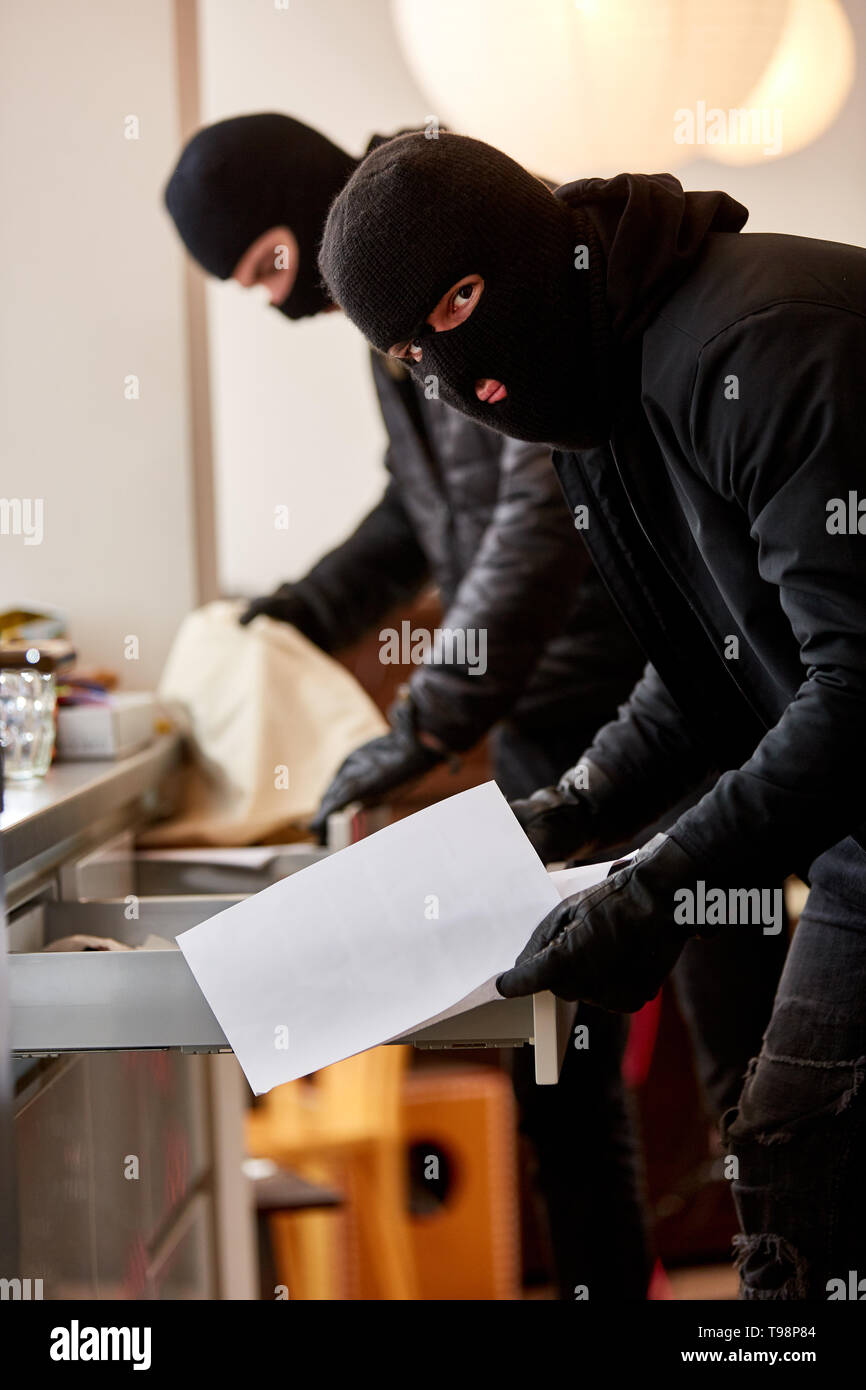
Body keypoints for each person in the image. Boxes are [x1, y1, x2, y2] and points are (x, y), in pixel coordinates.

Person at [319, 130, 866, 1299]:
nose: (465, 382)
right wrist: (571, 809)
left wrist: (658, 880)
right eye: (417, 351)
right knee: (790, 1156)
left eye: (459, 302)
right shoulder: (608, 388)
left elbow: (860, 691)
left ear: (528, 250)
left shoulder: (751, 346)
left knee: (800, 1153)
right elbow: (706, 656)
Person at [164, 113, 653, 1299]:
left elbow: (533, 511)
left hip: (642, 687)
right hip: (540, 713)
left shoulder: (443, 244)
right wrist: (290, 611)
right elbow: (417, 510)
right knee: (560, 1064)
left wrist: (425, 720)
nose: (282, 304)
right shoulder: (377, 309)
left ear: (304, 197)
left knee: (732, 1024)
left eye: (270, 266)